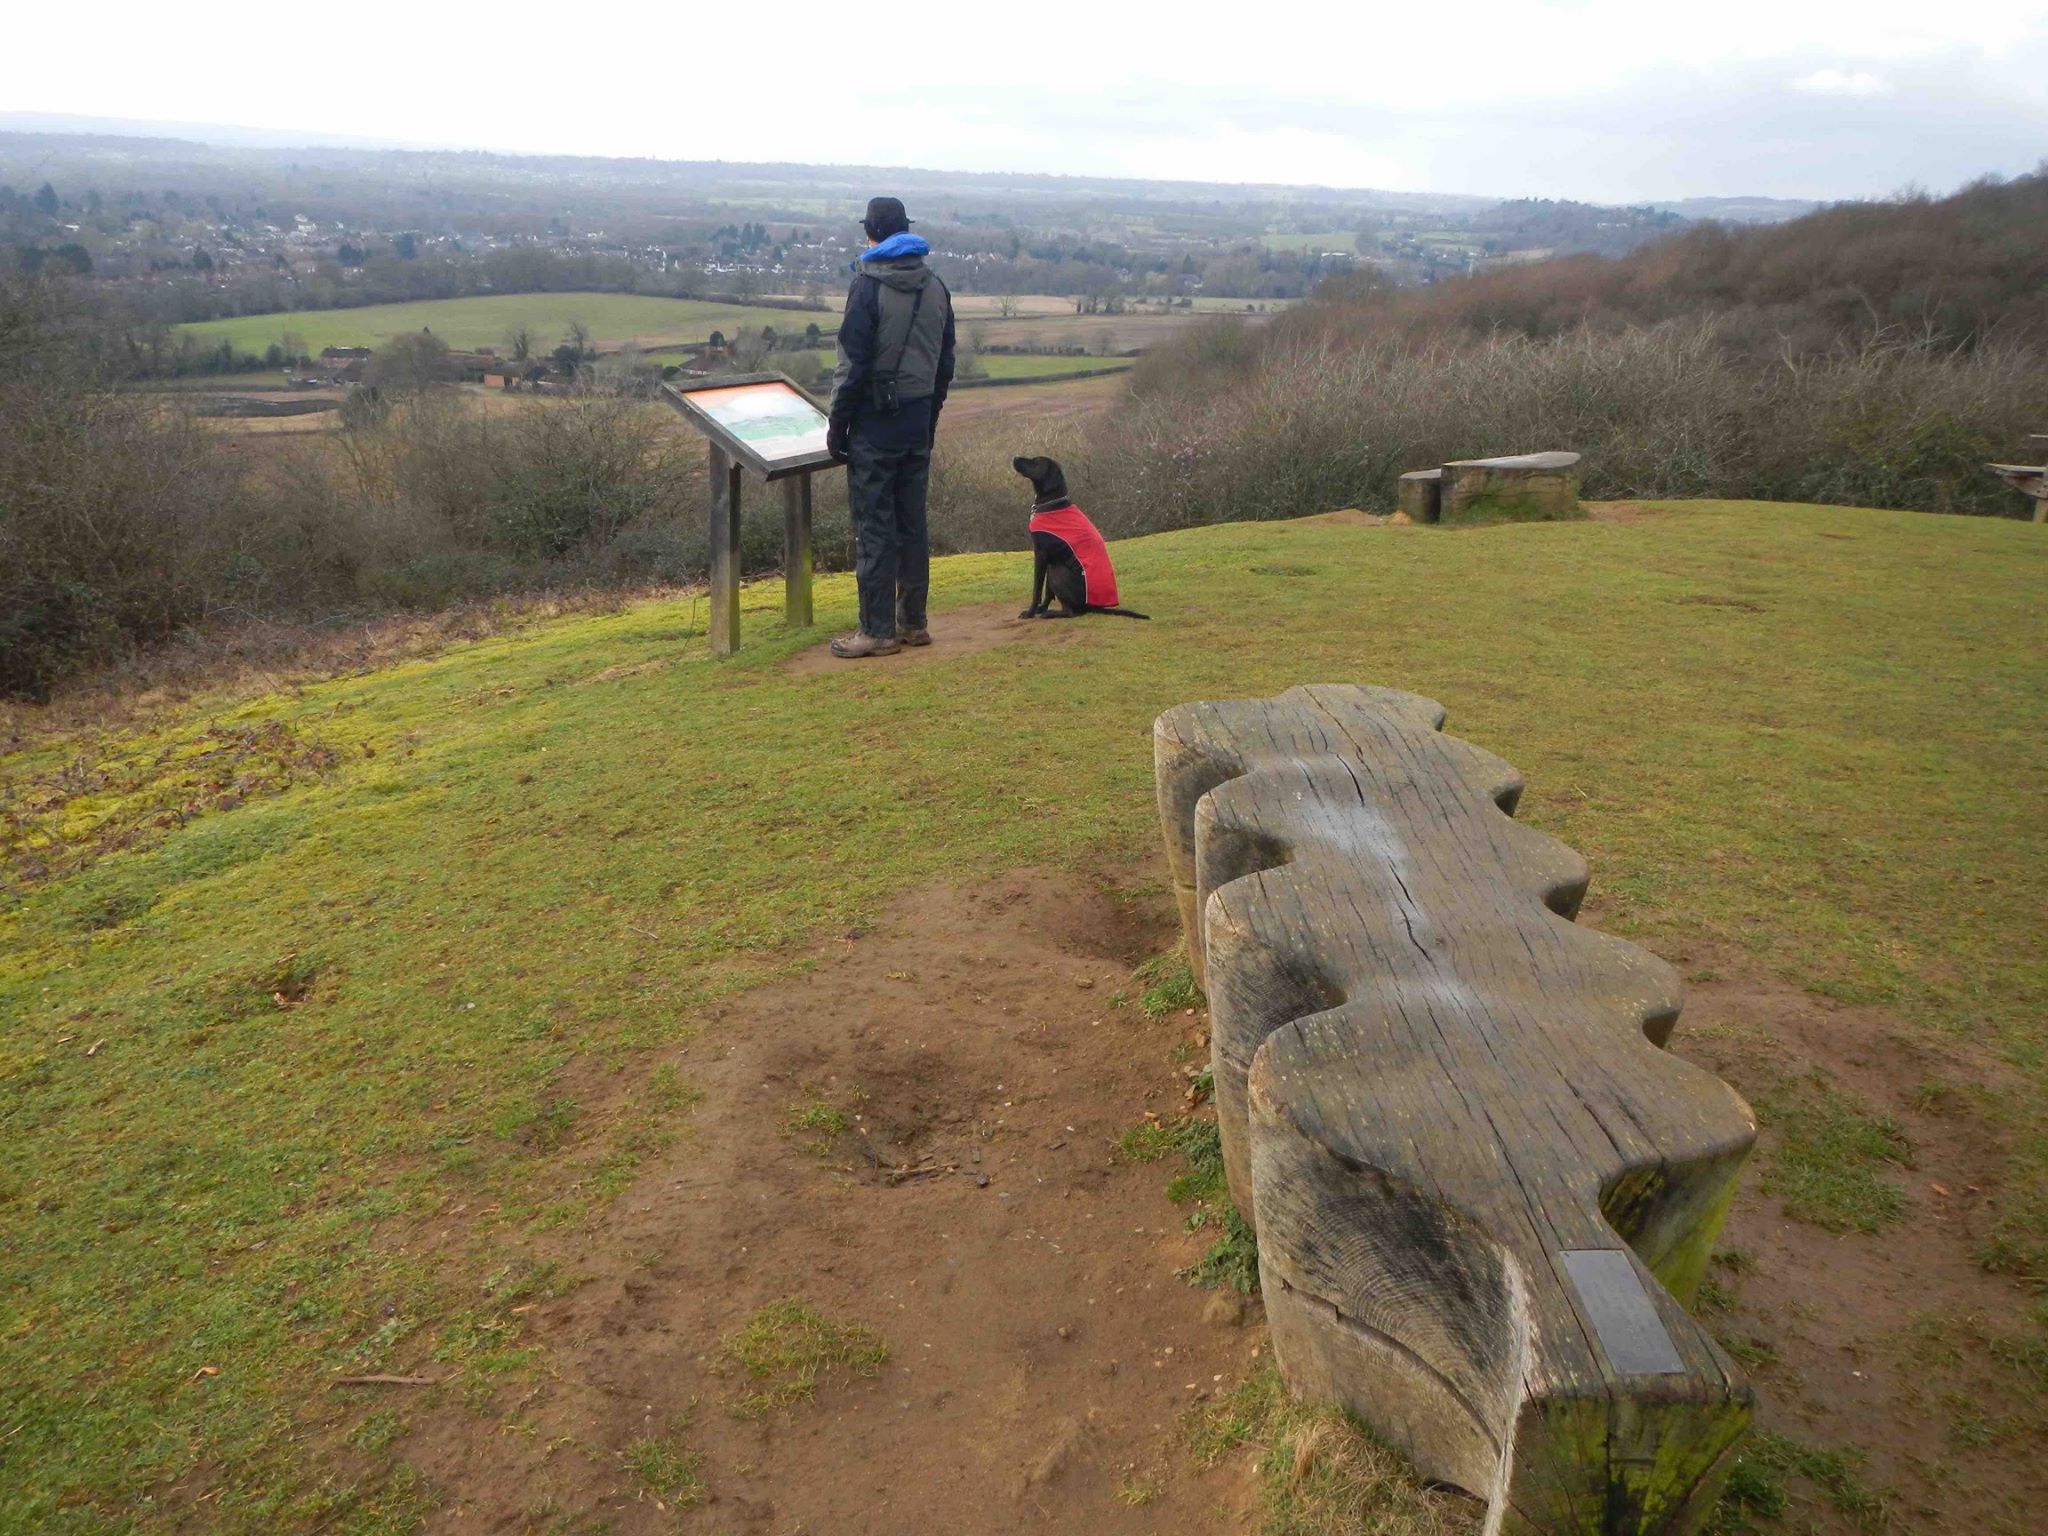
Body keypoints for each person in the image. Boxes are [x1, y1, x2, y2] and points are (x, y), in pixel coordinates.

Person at [825, 196, 956, 659]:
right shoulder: (936, 286)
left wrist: (838, 424)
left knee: (874, 526)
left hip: (875, 426)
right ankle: (913, 623)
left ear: (871, 235)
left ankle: (876, 630)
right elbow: (945, 364)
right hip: (918, 420)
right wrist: (931, 416)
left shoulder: (867, 286)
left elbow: (853, 366)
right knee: (911, 524)